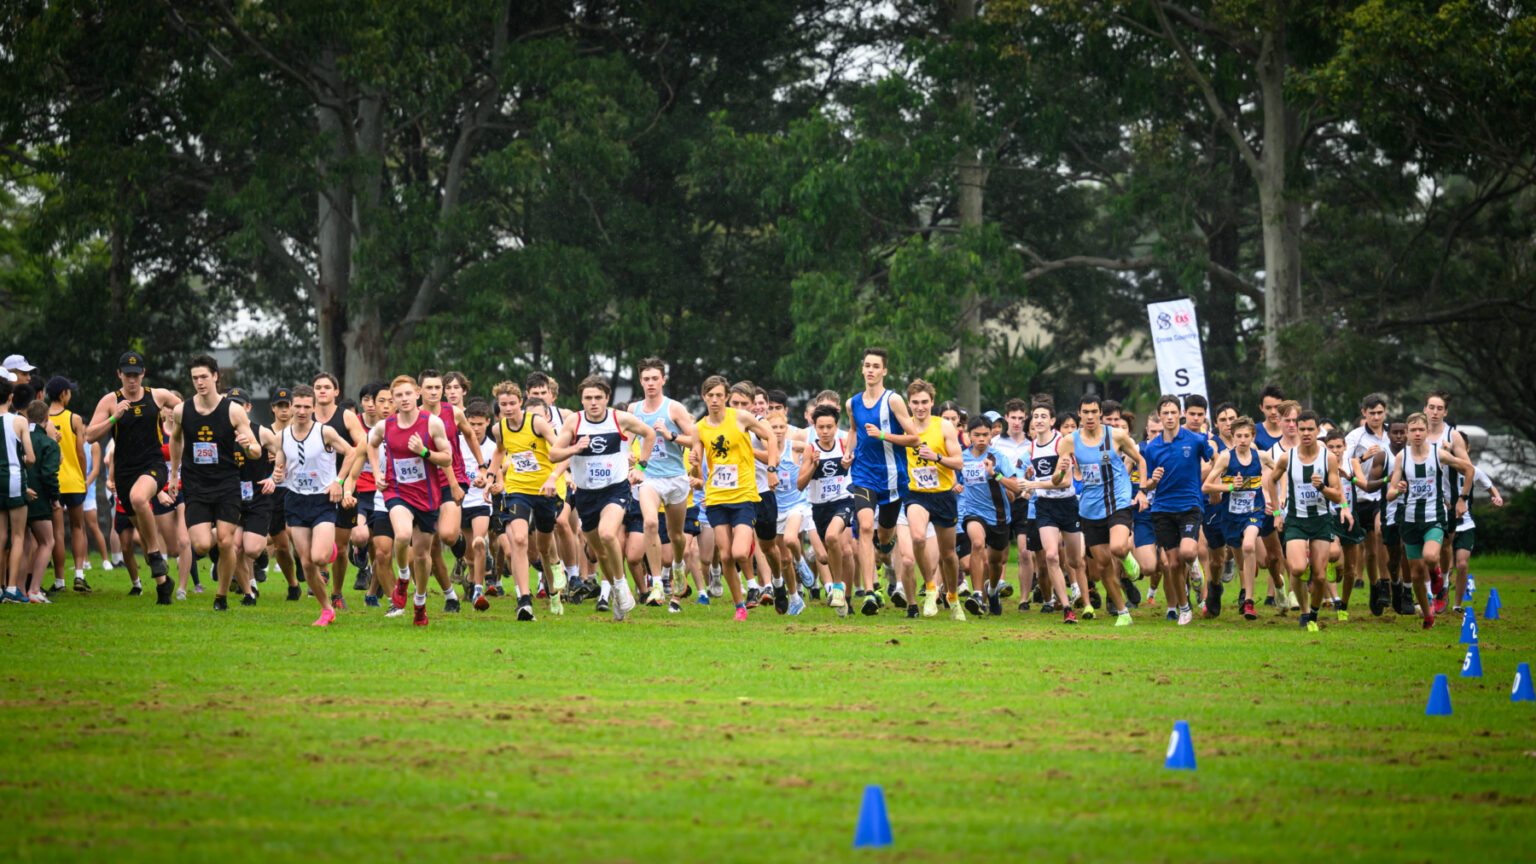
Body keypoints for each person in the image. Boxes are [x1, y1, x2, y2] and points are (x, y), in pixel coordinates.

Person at [548, 375, 657, 621]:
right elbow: (554, 454)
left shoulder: (620, 419)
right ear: (582, 400)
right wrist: (575, 448)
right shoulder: (574, 422)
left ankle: (619, 586)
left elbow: (649, 434)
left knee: (609, 534)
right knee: (598, 553)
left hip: (615, 489)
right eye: (588, 398)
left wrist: (641, 466)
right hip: (586, 495)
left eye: (598, 397)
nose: (593, 402)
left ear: (607, 398)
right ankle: (619, 593)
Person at [165, 355, 264, 611]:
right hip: (196, 485)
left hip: (226, 485)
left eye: (204, 377)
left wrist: (248, 446)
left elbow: (256, 450)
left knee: (225, 541)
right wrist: (174, 474)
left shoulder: (233, 410)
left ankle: (221, 596)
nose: (200, 382)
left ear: (216, 376)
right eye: (195, 378)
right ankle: (222, 555)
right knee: (201, 544)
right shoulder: (181, 410)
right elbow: (175, 440)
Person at [84, 351, 180, 604]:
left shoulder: (156, 396)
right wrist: (114, 416)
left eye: (136, 375)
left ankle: (156, 555)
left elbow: (185, 408)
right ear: (119, 374)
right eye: (127, 375)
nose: (132, 380)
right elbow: (89, 435)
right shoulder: (110, 400)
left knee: (140, 499)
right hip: (124, 473)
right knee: (145, 540)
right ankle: (163, 587)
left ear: (143, 374)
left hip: (152, 466)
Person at [369, 376, 454, 625]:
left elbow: (447, 458)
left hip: (427, 495)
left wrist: (424, 452)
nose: (404, 399)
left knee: (421, 555)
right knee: (403, 535)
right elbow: (371, 445)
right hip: (396, 491)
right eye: (398, 395)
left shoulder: (432, 423)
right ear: (392, 399)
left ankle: (420, 603)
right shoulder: (386, 426)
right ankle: (403, 579)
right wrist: (376, 473)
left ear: (417, 394)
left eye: (408, 394)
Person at [272, 384, 357, 626]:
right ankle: (326, 609)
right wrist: (277, 475)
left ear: (313, 407)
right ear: (290, 407)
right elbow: (280, 466)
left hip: (323, 499)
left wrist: (339, 481)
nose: (301, 411)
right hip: (296, 501)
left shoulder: (325, 432)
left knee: (319, 557)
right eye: (296, 406)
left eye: (306, 407)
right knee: (306, 562)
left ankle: (328, 549)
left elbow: (351, 452)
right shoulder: (282, 437)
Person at [691, 375, 773, 621]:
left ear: (726, 397)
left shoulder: (739, 417)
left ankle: (751, 571)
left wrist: (772, 466)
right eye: (710, 395)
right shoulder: (700, 428)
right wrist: (695, 466)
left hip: (744, 494)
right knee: (725, 556)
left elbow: (769, 434)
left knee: (738, 553)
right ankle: (740, 605)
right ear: (704, 397)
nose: (714, 400)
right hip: (716, 497)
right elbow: (697, 472)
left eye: (719, 395)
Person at [1384, 412, 1474, 630]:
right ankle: (1427, 615)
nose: (1416, 434)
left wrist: (1462, 498)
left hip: (1434, 518)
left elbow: (1469, 469)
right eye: (1412, 430)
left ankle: (1436, 576)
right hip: (1409, 520)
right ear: (1407, 433)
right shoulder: (1401, 457)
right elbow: (1389, 493)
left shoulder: (1438, 454)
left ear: (1426, 432)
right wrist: (1398, 490)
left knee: (1430, 556)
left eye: (1420, 430)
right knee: (1415, 575)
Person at [1265, 411, 1349, 633]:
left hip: (1321, 520)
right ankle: (1303, 611)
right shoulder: (1287, 457)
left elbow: (1337, 495)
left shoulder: (1327, 458)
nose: (1305, 433)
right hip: (1296, 520)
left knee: (1320, 576)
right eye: (1302, 429)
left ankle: (1313, 613)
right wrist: (1276, 513)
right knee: (1298, 567)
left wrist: (1321, 487)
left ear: (1318, 430)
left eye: (1310, 429)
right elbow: (1271, 481)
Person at [489, 383, 565, 619]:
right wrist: (490, 475)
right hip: (517, 490)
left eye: (512, 403)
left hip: (544, 491)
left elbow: (563, 452)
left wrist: (554, 477)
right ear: (499, 407)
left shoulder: (537, 423)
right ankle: (524, 600)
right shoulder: (498, 428)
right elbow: (499, 451)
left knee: (544, 547)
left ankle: (554, 586)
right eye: (504, 405)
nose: (509, 408)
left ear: (521, 402)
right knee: (519, 540)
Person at [627, 358, 699, 607]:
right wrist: (627, 453)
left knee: (676, 535)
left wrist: (671, 435)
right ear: (640, 381)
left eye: (655, 378)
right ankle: (657, 583)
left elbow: (695, 441)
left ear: (663, 380)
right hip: (649, 477)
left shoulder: (674, 408)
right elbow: (626, 437)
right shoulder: (633, 410)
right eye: (646, 379)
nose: (650, 383)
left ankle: (678, 568)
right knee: (649, 522)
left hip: (676, 478)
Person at [1142, 395, 1215, 624]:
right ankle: (1184, 607)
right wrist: (1152, 480)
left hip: (1190, 505)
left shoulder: (1195, 440)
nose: (1170, 417)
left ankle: (1194, 569)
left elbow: (1215, 460)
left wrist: (1214, 487)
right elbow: (1148, 484)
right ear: (1160, 416)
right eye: (1166, 413)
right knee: (1171, 564)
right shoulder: (1152, 448)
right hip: (1162, 508)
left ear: (1180, 413)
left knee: (1188, 552)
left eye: (1174, 412)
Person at [1072, 394, 1141, 625]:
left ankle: (1127, 559)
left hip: (1117, 500)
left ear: (1100, 413)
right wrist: (1061, 472)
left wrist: (1142, 487)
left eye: (1094, 411)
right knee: (1101, 565)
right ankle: (1123, 613)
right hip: (1090, 508)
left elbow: (1139, 459)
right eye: (1085, 412)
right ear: (1079, 414)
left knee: (1118, 547)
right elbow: (1060, 475)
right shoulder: (1069, 441)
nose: (1090, 416)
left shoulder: (1117, 435)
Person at [900, 380, 964, 620]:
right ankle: (930, 588)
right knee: (917, 536)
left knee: (948, 555)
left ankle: (954, 597)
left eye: (924, 402)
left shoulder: (944, 427)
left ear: (932, 402)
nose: (920, 407)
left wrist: (936, 457)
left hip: (944, 494)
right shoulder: (904, 427)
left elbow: (959, 462)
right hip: (916, 493)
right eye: (915, 402)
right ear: (909, 404)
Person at [1202, 416, 1277, 621]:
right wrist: (1230, 486)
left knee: (1250, 546)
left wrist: (1277, 497)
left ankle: (1249, 601)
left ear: (1253, 436)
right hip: (1231, 516)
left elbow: (1281, 469)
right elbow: (1206, 486)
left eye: (1246, 435)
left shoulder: (1261, 456)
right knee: (1241, 561)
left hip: (1254, 511)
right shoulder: (1226, 458)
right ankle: (1226, 573)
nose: (1242, 439)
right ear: (1233, 437)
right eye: (1238, 436)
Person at [311, 372, 369, 606]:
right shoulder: (307, 417)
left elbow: (362, 446)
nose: (322, 391)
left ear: (336, 392)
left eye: (327, 387)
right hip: (314, 488)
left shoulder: (346, 417)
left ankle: (336, 593)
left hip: (343, 486)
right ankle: (321, 568)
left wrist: (344, 483)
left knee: (342, 546)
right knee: (313, 538)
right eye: (318, 387)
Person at [957, 416, 1022, 618]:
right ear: (969, 436)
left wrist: (995, 475)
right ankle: (977, 594)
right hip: (973, 512)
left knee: (994, 562)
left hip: (999, 516)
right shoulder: (962, 457)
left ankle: (992, 592)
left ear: (991, 435)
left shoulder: (998, 457)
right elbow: (952, 477)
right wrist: (954, 486)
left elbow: (1016, 489)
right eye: (977, 435)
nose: (982, 439)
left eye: (985, 434)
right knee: (977, 544)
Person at [1022, 399, 1079, 623]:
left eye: (1043, 416)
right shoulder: (1031, 447)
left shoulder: (1061, 443)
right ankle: (1067, 608)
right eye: (1035, 416)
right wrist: (1028, 488)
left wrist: (1034, 485)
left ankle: (1081, 590)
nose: (1039, 420)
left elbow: (1065, 482)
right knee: (1051, 556)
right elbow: (1038, 479)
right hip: (1045, 507)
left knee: (1075, 561)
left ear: (1052, 421)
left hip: (1067, 504)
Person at [224, 387, 281, 608]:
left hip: (259, 498)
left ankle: (260, 557)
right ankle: (248, 592)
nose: (236, 408)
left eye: (240, 404)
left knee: (252, 548)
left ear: (248, 407)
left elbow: (284, 453)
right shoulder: (221, 433)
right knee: (234, 547)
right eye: (232, 403)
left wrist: (273, 478)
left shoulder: (262, 432)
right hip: (232, 498)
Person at [798, 403, 854, 615]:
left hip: (843, 501)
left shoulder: (844, 443)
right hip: (819, 507)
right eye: (821, 427)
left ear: (836, 426)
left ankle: (838, 588)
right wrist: (812, 466)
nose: (825, 431)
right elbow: (800, 484)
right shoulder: (810, 449)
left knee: (833, 538)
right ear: (814, 427)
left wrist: (850, 464)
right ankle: (840, 595)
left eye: (829, 427)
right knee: (825, 554)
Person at [1344, 393, 1392, 615]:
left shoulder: (1393, 434)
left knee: (1382, 534)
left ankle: (1386, 584)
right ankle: (1374, 586)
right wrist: (1363, 458)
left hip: (1382, 496)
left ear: (1385, 412)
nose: (1376, 417)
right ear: (1364, 413)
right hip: (1360, 496)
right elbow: (1344, 462)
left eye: (1379, 413)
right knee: (1370, 552)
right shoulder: (1355, 436)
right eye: (1371, 413)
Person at [45, 377, 90, 593]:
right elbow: (81, 452)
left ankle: (59, 580)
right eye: (69, 392)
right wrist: (83, 478)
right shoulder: (75, 419)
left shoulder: (42, 418)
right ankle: (79, 574)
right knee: (78, 527)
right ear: (63, 394)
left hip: (52, 482)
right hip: (73, 481)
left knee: (57, 532)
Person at [20, 400, 59, 602]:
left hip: (18, 495)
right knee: (47, 541)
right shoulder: (49, 444)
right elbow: (49, 474)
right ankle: (34, 589)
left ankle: (17, 588)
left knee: (24, 542)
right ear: (47, 419)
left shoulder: (19, 438)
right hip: (39, 499)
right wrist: (56, 498)